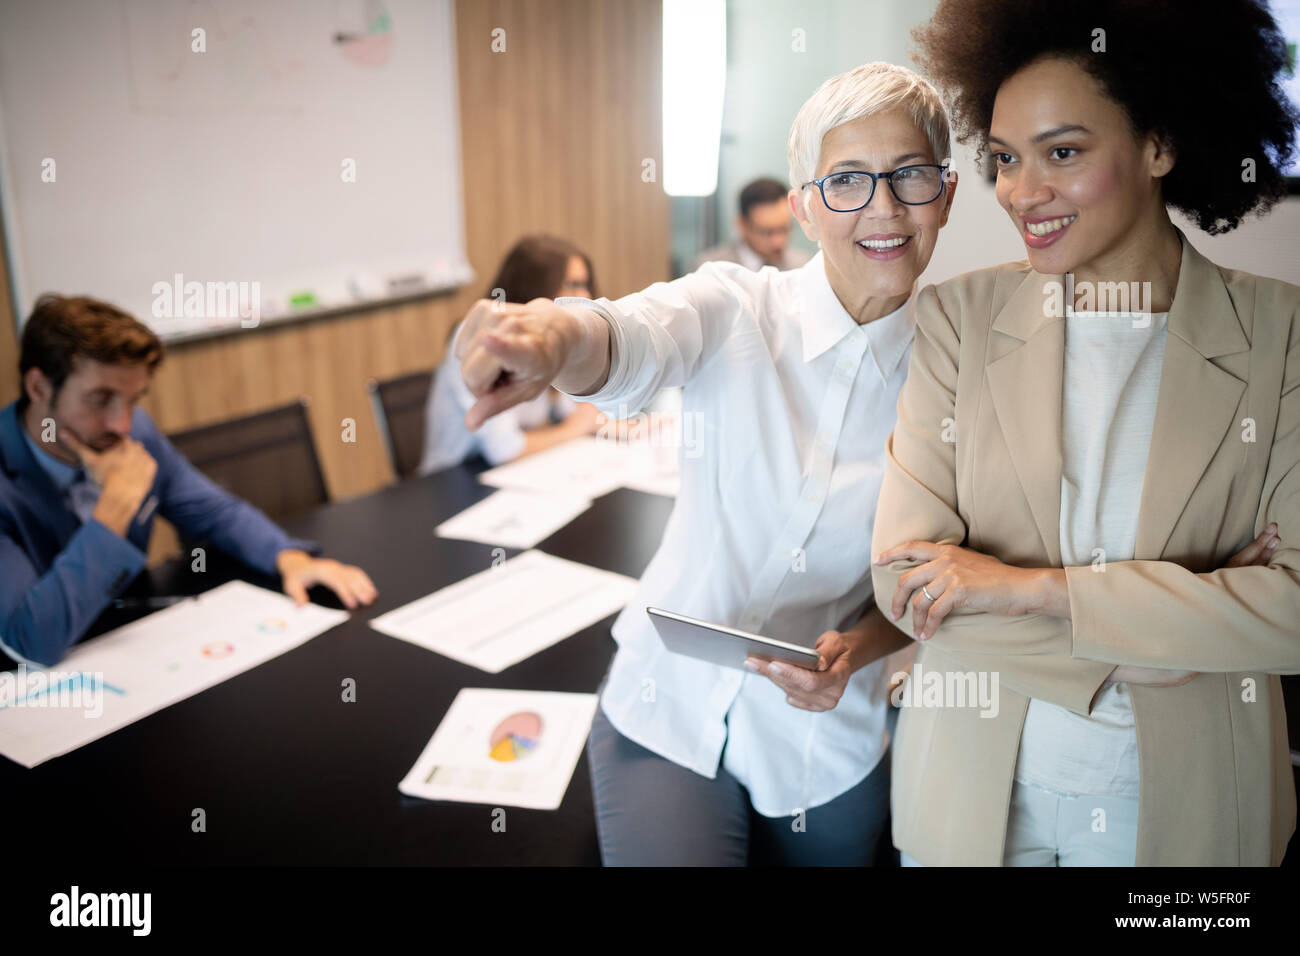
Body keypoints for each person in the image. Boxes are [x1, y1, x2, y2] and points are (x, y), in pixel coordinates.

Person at [454, 63, 959, 865]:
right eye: (847, 181)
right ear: (802, 208)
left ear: (948, 193)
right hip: (667, 701)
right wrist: (554, 339)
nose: (884, 207)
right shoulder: (737, 307)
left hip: (826, 727)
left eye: (910, 176)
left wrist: (855, 653)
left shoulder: (959, 369)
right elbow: (629, 336)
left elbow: (942, 577)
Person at [870, 0, 1300, 865]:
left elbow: (1292, 610)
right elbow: (905, 584)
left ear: (1158, 144)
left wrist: (1022, 590)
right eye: (1003, 159)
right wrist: (1177, 624)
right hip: (970, 800)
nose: (1024, 194)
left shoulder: (1282, 335)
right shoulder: (959, 319)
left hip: (1185, 811)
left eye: (1062, 152)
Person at [0, 295, 378, 668]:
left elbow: (215, 512)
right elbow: (29, 641)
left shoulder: (135, 436)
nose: (122, 424)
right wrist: (115, 510)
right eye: (100, 400)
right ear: (39, 388)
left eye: (133, 400)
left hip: (133, 649)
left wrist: (288, 557)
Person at [418, 235, 602, 474]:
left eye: (585, 285)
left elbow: (575, 410)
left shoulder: (548, 336)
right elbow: (506, 450)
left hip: (510, 477)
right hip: (454, 483)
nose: (585, 297)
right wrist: (577, 429)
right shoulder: (480, 339)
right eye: (572, 284)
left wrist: (616, 424)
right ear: (535, 288)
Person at [693, 177, 811, 272]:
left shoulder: (802, 267)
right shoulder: (711, 270)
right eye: (766, 232)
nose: (778, 241)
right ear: (742, 225)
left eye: (784, 229)